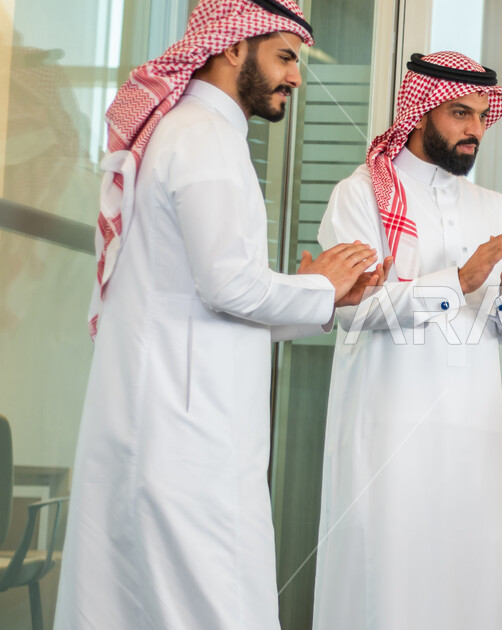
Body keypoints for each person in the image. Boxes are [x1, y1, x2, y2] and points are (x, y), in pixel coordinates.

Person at [55, 1, 385, 629]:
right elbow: (229, 288)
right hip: (192, 441)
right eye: (285, 56)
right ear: (234, 47)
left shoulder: (188, 134)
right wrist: (318, 286)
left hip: (161, 429)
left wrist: (326, 296)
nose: (295, 76)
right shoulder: (206, 139)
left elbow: (209, 297)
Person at [312, 51, 502, 630]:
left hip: (473, 437)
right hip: (386, 432)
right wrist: (462, 280)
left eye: (483, 117)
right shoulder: (359, 195)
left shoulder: (495, 207)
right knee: (382, 586)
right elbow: (353, 310)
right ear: (418, 113)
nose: (475, 130)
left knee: (464, 587)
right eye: (459, 114)